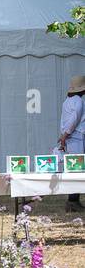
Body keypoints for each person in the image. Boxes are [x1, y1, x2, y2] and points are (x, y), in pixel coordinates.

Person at [58, 75, 85, 211]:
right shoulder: (78, 102)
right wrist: (65, 135)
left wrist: (64, 135)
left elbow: (65, 120)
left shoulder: (67, 101)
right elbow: (74, 119)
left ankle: (73, 200)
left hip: (70, 137)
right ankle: (73, 201)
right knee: (77, 169)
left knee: (74, 168)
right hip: (76, 137)